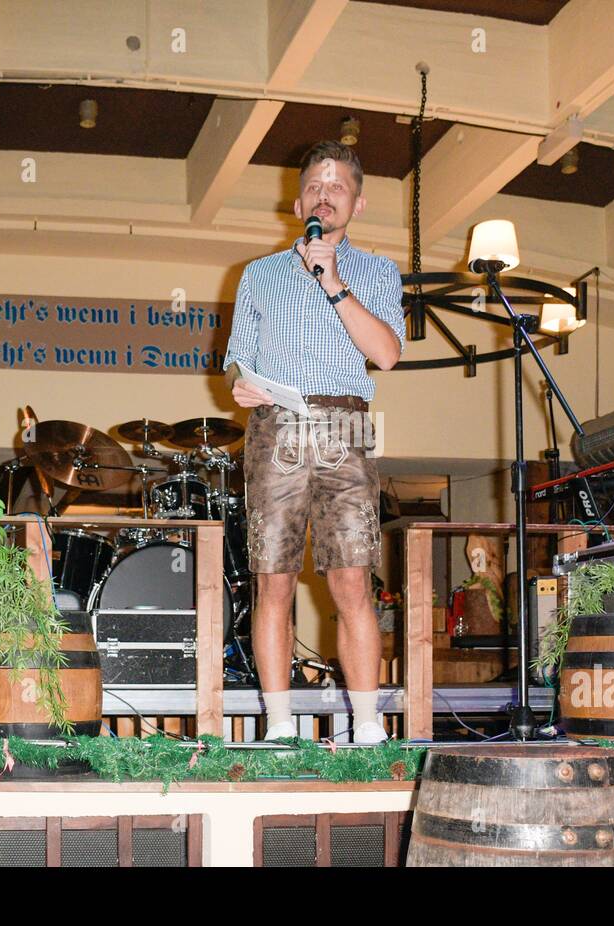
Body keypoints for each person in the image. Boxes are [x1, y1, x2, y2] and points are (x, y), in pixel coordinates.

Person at [223, 140, 405, 743]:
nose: (325, 195)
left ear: (356, 202)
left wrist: (332, 282)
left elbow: (386, 353)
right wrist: (243, 387)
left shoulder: (378, 272)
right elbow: (237, 366)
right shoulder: (258, 274)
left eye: (338, 187)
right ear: (298, 197)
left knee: (352, 579)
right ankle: (278, 726)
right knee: (272, 576)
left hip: (347, 426)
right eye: (316, 186)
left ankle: (369, 723)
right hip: (277, 424)